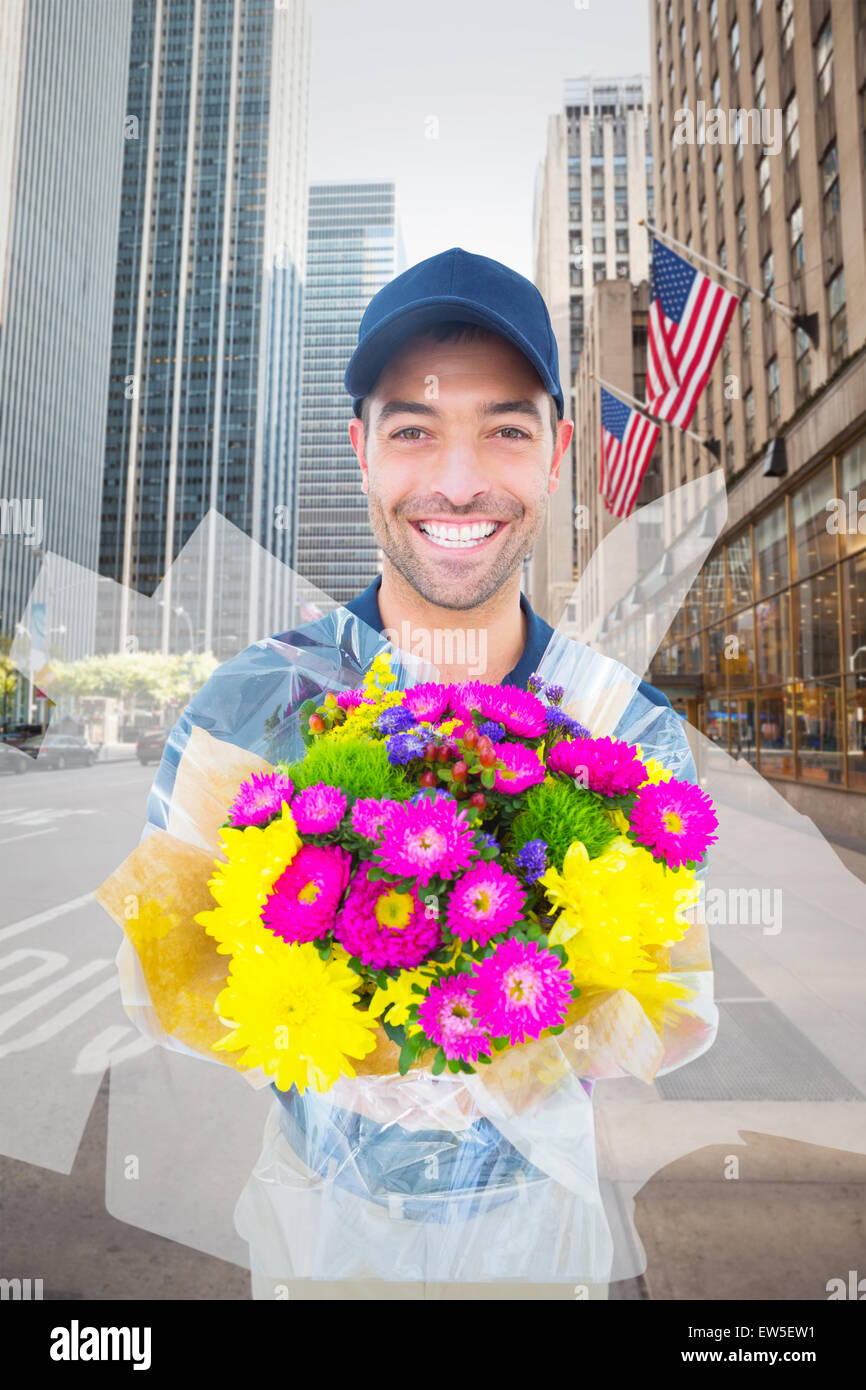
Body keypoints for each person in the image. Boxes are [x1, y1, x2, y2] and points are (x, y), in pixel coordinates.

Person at [133, 247, 717, 1299]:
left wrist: (512, 1049)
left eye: (504, 427)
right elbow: (182, 976)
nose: (457, 481)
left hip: (540, 1236)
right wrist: (342, 1042)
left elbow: (660, 1000)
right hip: (319, 1228)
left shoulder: (626, 733)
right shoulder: (249, 706)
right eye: (412, 430)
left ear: (556, 452)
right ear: (360, 450)